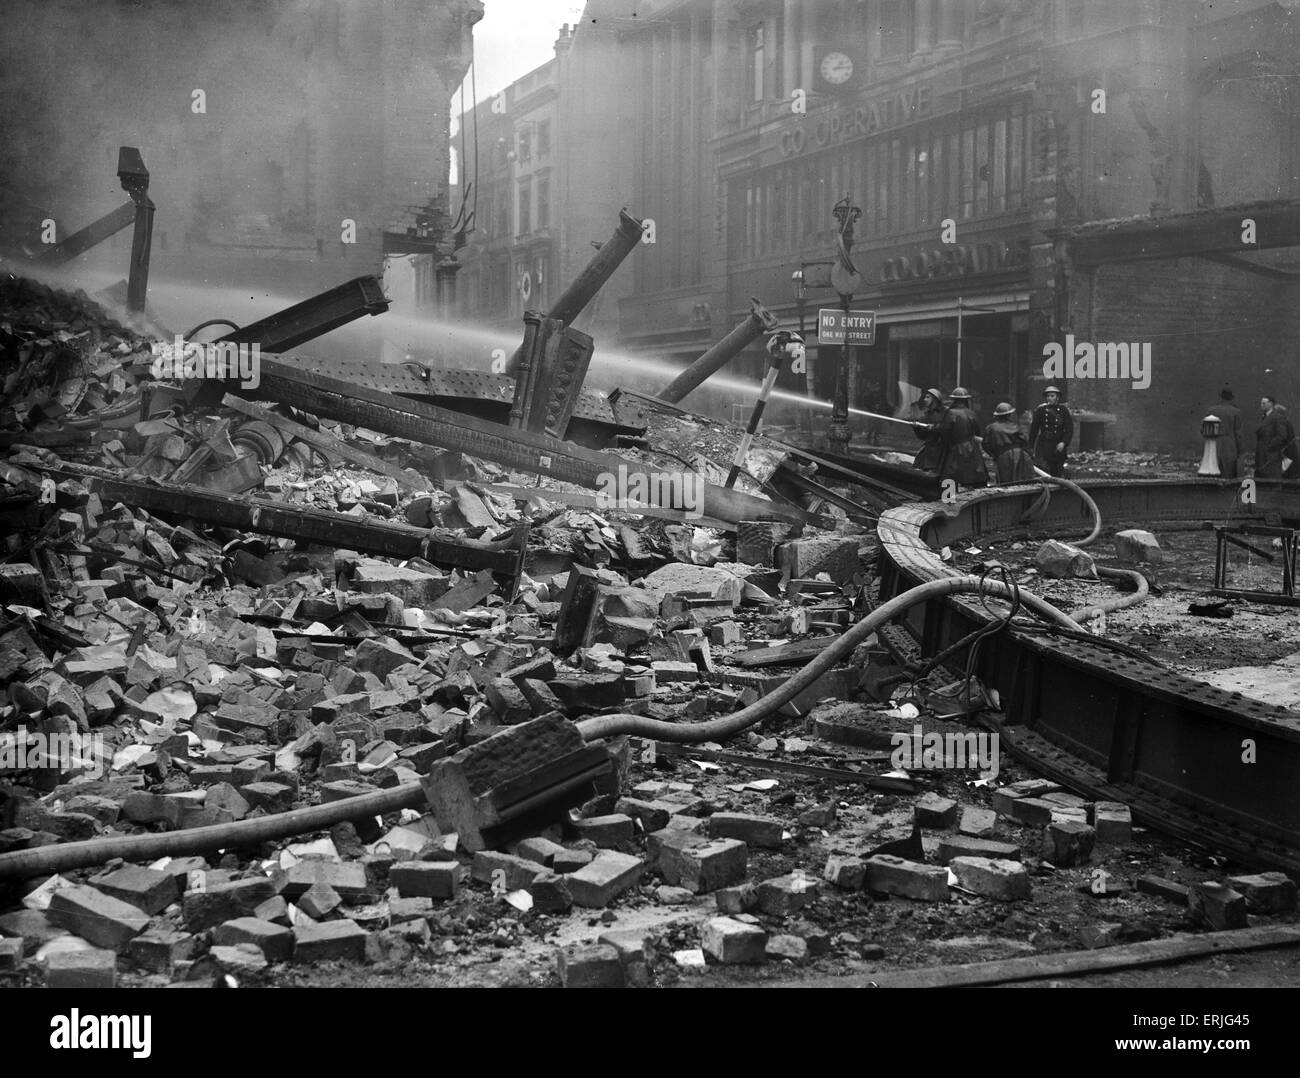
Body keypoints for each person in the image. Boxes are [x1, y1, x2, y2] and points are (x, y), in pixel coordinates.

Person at [937, 387, 988, 488]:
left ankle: (949, 500)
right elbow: (977, 431)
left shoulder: (950, 413)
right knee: (974, 475)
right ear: (966, 400)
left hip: (956, 448)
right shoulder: (972, 413)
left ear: (954, 400)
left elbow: (944, 432)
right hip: (972, 448)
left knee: (950, 476)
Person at [984, 402, 1036, 483]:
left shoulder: (991, 428)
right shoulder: (1016, 426)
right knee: (1022, 478)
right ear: (1009, 415)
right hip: (1020, 454)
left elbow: (986, 445)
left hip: (1003, 456)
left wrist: (994, 455)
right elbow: (1025, 442)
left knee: (1006, 480)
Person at [1029, 385, 1073, 477]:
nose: (1049, 398)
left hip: (1057, 444)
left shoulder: (1063, 410)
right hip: (1044, 444)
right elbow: (1034, 430)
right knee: (1042, 470)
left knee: (1057, 470)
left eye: (1052, 396)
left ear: (1057, 397)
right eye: (1048, 396)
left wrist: (1063, 443)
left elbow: (1069, 429)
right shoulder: (1040, 410)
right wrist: (1030, 447)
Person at [1207, 387, 1242, 479]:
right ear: (1231, 398)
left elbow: (1205, 430)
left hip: (1214, 445)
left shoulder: (1212, 410)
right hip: (1230, 445)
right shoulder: (1236, 412)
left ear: (1221, 397)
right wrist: (1240, 449)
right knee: (1229, 472)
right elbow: (1238, 433)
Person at [912, 387, 945, 473]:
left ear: (935, 399)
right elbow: (923, 436)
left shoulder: (946, 413)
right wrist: (917, 428)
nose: (924, 399)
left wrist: (935, 427)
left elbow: (948, 428)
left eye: (928, 397)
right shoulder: (926, 415)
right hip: (929, 448)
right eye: (925, 397)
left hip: (941, 448)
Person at [1255, 396, 1288, 478]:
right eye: (1261, 403)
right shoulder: (1264, 417)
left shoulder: (1276, 417)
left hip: (1271, 456)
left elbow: (1282, 436)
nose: (1261, 405)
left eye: (1264, 403)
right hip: (1262, 455)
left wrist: (1269, 446)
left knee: (1271, 479)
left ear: (1271, 404)